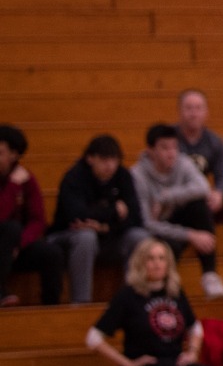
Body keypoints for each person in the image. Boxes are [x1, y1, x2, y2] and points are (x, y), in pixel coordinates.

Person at [87, 239, 218, 366]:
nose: (157, 263)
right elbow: (93, 338)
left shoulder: (175, 291)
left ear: (168, 263)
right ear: (141, 263)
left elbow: (195, 326)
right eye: (151, 258)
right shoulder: (128, 295)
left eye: (161, 258)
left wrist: (192, 353)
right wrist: (128, 364)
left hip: (172, 364)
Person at [46, 135, 144, 306]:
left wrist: (105, 227)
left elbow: (136, 217)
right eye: (104, 160)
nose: (110, 165)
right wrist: (113, 211)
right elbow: (76, 215)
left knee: (139, 236)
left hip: (109, 237)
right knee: (86, 236)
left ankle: (136, 299)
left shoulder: (123, 176)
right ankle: (80, 303)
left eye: (114, 160)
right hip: (65, 238)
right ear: (90, 158)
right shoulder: (74, 177)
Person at [131, 125, 223, 297]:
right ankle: (165, 289)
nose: (171, 153)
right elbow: (146, 223)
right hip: (156, 230)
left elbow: (203, 187)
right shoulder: (137, 175)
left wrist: (165, 197)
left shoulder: (182, 162)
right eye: (164, 148)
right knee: (167, 246)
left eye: (174, 147)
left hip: (176, 219)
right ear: (150, 151)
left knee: (199, 205)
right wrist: (190, 235)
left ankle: (210, 275)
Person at [174, 90, 223, 259]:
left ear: (206, 112)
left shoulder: (215, 141)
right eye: (189, 108)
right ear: (179, 111)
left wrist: (219, 193)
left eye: (198, 108)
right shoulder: (169, 139)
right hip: (176, 201)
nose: (194, 113)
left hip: (202, 198)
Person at [0, 125, 59, 307]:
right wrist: (12, 186)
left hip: (14, 248)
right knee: (11, 228)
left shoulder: (27, 180)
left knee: (52, 253)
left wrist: (20, 243)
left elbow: (38, 221)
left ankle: (51, 309)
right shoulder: (17, 181)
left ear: (14, 155)